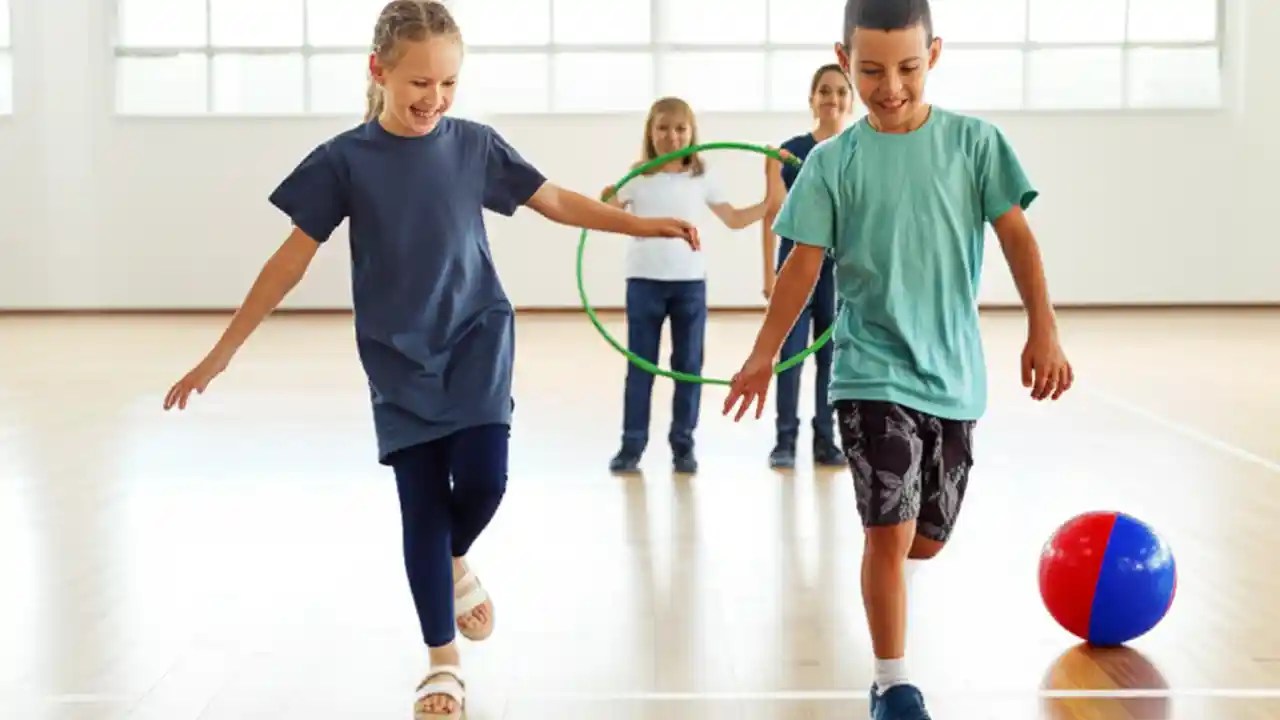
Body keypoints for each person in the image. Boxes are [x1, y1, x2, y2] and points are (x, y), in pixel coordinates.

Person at [161, 2, 699, 718]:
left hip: (477, 339)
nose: (434, 100)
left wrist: (642, 221)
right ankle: (443, 662)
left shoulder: (475, 146)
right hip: (397, 358)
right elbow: (287, 264)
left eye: (448, 84)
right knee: (421, 508)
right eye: (419, 83)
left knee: (484, 482)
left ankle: (453, 559)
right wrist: (221, 353)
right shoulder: (343, 161)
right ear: (378, 71)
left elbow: (557, 201)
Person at [722, 1, 1073, 718]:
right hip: (869, 368)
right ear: (843, 58)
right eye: (871, 69)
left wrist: (1044, 330)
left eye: (908, 68)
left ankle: (888, 579)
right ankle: (892, 682)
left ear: (934, 55)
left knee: (925, 542)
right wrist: (764, 352)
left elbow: (1018, 240)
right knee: (887, 531)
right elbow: (800, 266)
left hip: (952, 377)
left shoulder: (976, 144)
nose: (890, 87)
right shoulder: (832, 162)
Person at [604, 96, 774, 475]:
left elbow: (731, 218)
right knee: (640, 367)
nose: (672, 136)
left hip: (689, 286)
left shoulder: (703, 176)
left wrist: (769, 205)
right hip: (644, 282)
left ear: (692, 132)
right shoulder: (638, 176)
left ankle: (683, 444)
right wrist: (606, 199)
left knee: (688, 366)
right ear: (651, 132)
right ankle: (631, 445)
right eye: (663, 128)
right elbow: (608, 211)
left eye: (680, 128)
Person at [761, 63, 856, 470]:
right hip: (795, 265)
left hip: (838, 272)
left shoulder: (858, 150)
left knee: (830, 358)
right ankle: (784, 440)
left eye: (839, 91)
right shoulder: (788, 151)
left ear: (849, 100)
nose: (831, 99)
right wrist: (769, 276)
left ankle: (825, 438)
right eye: (824, 91)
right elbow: (773, 214)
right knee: (790, 355)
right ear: (812, 98)